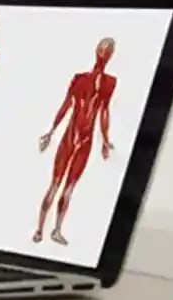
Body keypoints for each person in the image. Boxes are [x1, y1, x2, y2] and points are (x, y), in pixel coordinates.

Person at [33, 37, 118, 245]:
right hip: (72, 136)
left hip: (83, 139)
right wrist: (51, 131)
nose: (104, 54)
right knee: (56, 184)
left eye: (107, 51)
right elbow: (67, 105)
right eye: (103, 50)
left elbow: (103, 111)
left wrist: (105, 139)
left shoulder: (108, 82)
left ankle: (54, 230)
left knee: (68, 187)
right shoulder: (82, 79)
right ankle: (40, 229)